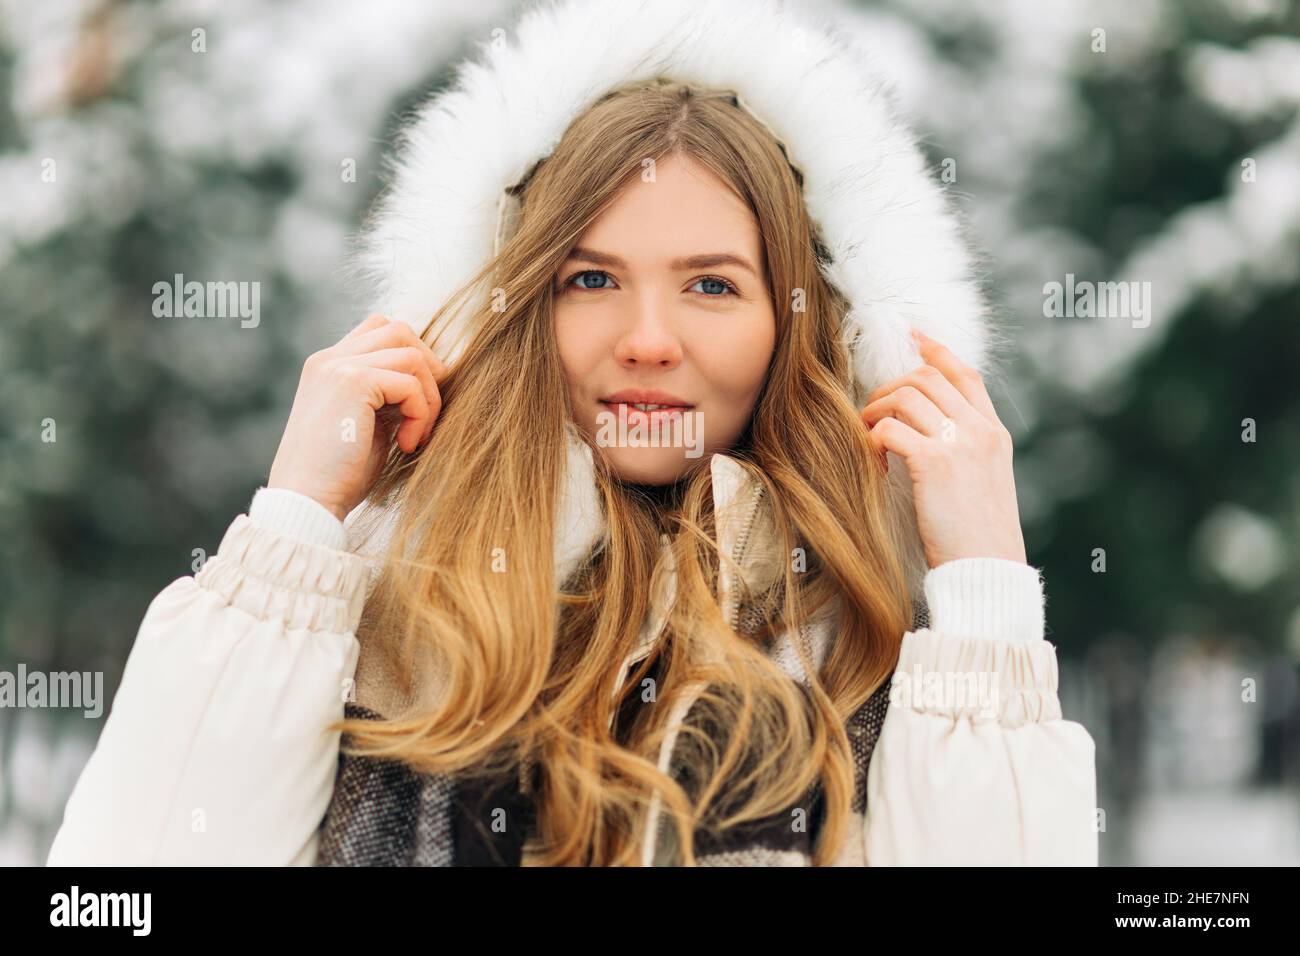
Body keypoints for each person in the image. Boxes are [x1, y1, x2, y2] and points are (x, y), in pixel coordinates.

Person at [47, 0, 1097, 867]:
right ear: (517, 306)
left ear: (797, 321)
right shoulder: (377, 614)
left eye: (711, 284)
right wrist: (292, 530)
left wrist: (985, 591)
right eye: (590, 278)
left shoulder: (867, 640)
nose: (646, 339)